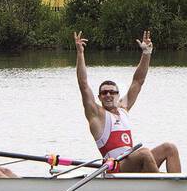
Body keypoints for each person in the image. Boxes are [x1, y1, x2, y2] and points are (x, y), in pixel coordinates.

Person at [74, 31, 181, 173]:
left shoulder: (123, 108)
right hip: (116, 167)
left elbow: (138, 80)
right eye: (104, 93)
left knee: (170, 148)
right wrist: (80, 53)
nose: (108, 95)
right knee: (144, 152)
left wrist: (146, 53)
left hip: (133, 162)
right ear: (99, 97)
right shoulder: (96, 114)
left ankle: (177, 188)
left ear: (118, 95)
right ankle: (160, 184)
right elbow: (83, 83)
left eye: (112, 92)